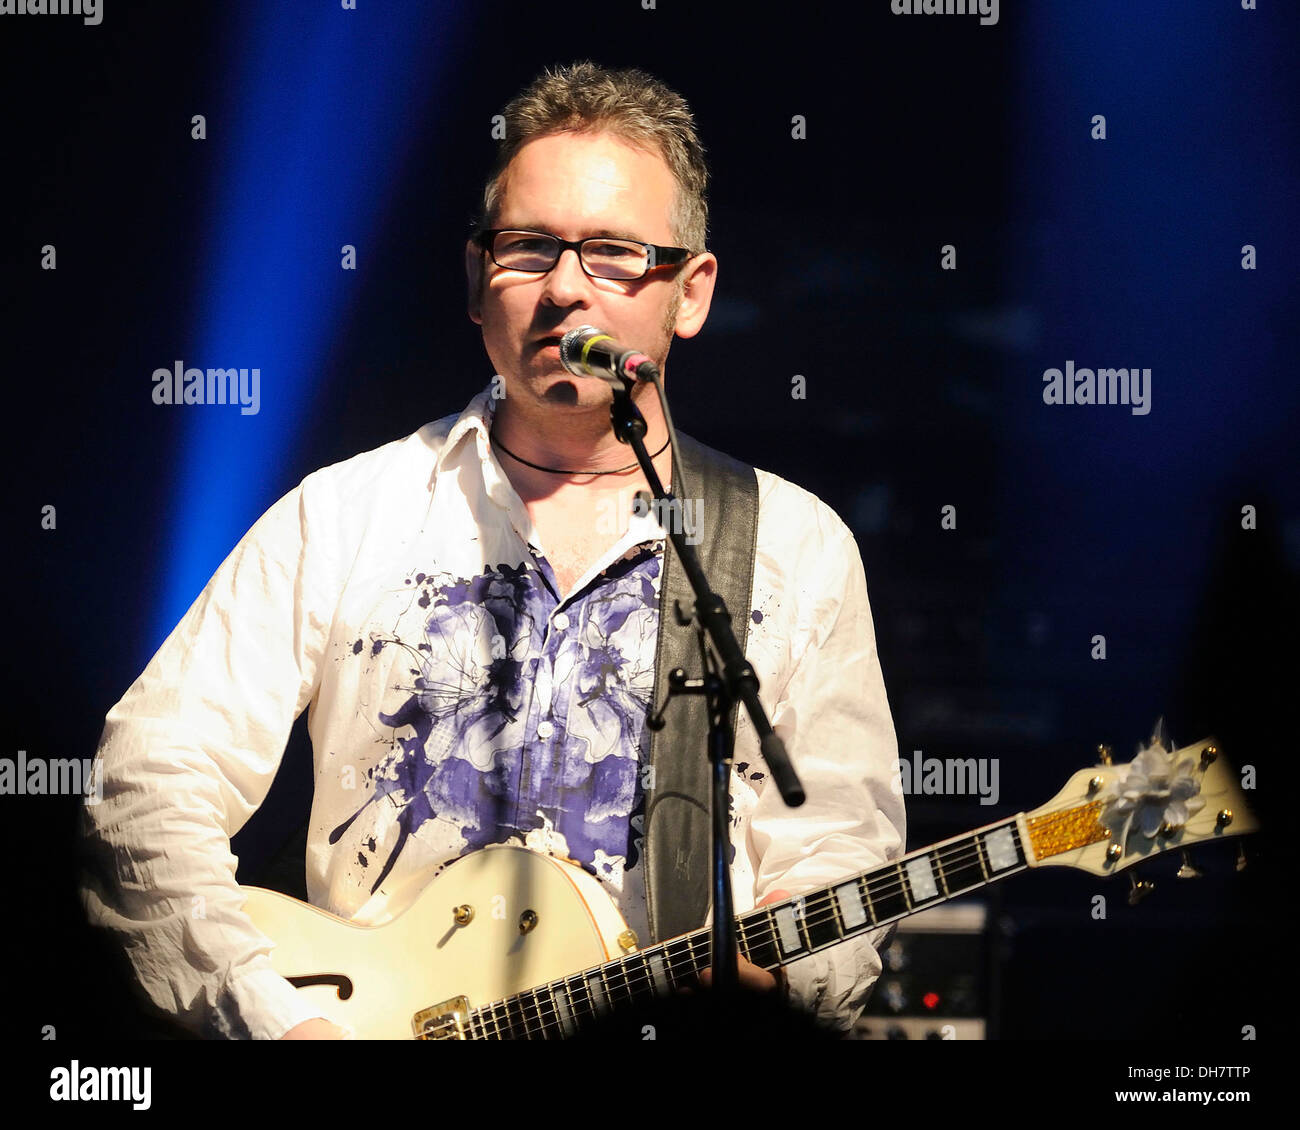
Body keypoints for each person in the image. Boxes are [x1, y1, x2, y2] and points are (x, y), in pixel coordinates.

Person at [79, 61, 905, 1040]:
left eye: (611, 254)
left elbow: (838, 852)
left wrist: (785, 990)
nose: (563, 288)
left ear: (690, 291)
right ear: (478, 279)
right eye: (528, 248)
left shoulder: (792, 546)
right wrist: (276, 1019)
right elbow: (147, 779)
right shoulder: (344, 514)